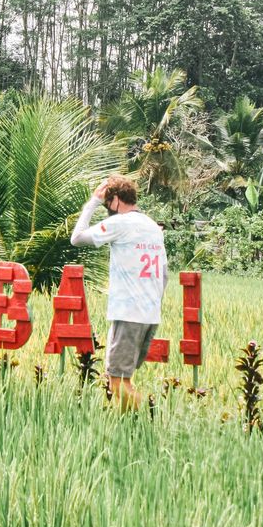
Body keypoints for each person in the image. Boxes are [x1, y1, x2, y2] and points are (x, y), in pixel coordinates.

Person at [70, 175, 167, 411]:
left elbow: (77, 238)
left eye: (106, 205)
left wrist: (92, 202)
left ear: (115, 200)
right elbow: (164, 275)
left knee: (116, 381)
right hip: (149, 315)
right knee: (124, 378)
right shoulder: (153, 226)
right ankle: (128, 427)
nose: (106, 210)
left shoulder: (121, 223)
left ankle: (148, 418)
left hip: (128, 313)